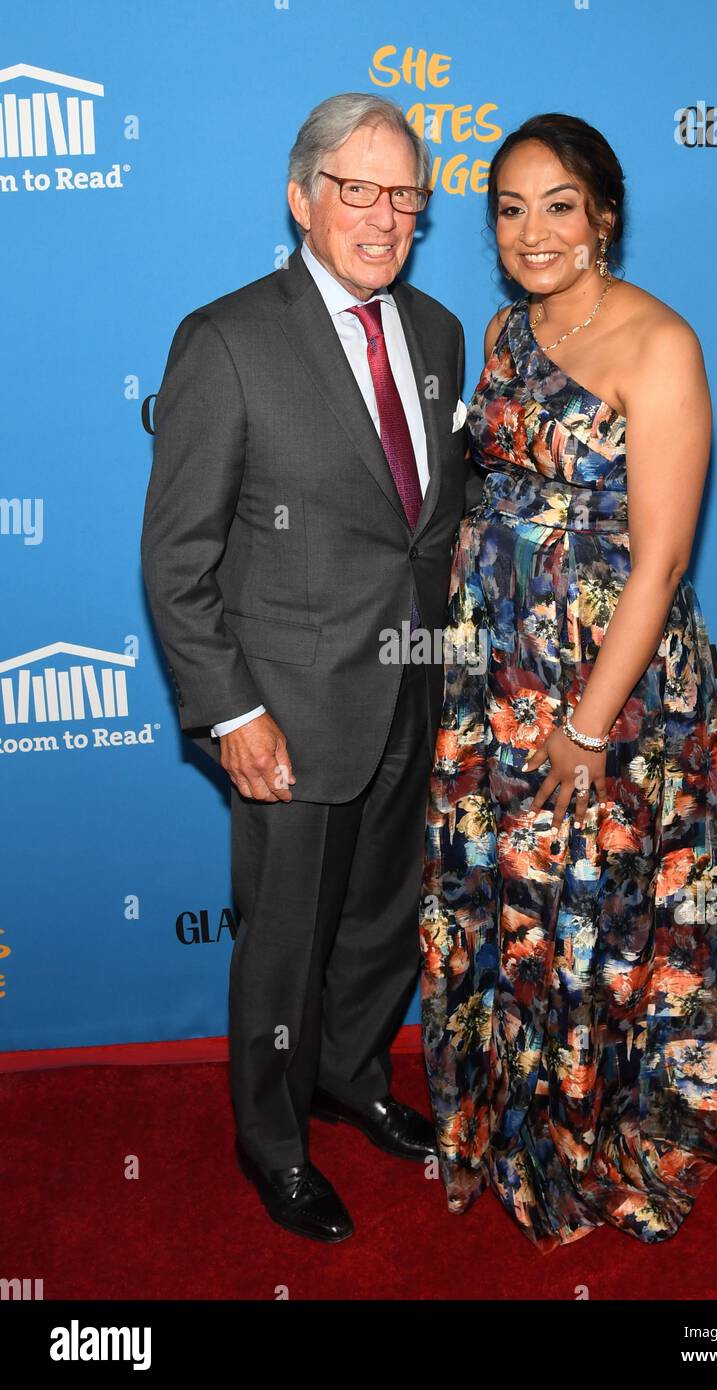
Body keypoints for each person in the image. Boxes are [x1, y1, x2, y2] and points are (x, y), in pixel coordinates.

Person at [419, 112, 717, 1252]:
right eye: (509, 207)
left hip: (609, 689)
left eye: (558, 205)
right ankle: (511, 1111)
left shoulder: (657, 345)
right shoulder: (500, 330)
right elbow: (485, 501)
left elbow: (661, 557)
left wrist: (585, 727)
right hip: (495, 673)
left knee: (596, 902)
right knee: (509, 903)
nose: (532, 232)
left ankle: (600, 1128)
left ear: (604, 217)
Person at [141, 92, 481, 1244]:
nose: (383, 218)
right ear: (301, 197)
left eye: (405, 197)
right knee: (285, 942)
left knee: (383, 918)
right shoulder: (225, 339)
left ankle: (350, 1077)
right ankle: (272, 1137)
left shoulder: (437, 333)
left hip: (412, 689)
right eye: (357, 190)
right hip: (287, 709)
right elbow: (177, 557)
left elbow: (424, 526)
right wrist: (231, 709)